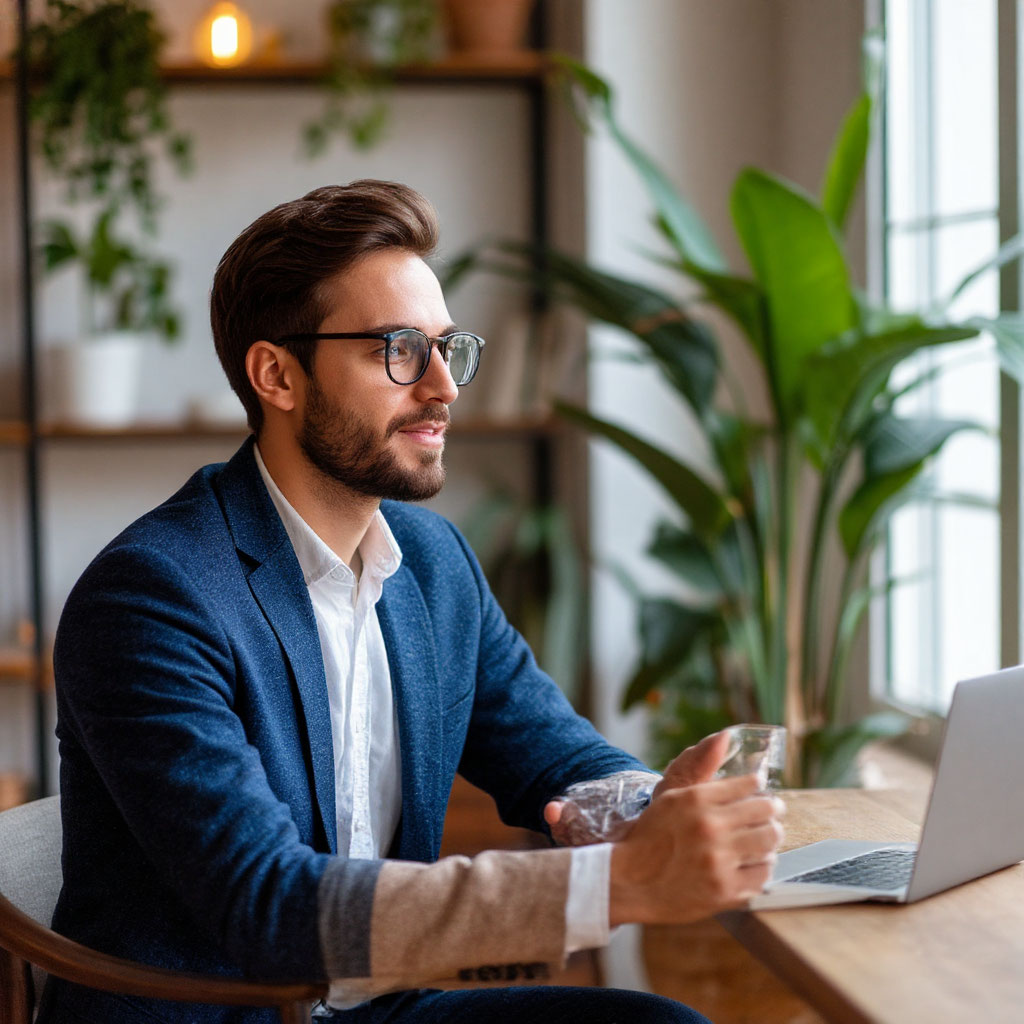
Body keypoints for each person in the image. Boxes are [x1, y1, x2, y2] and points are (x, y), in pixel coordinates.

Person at [39, 180, 784, 1024]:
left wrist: (657, 811)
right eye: (398, 349)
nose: (443, 388)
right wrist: (623, 879)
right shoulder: (152, 596)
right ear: (277, 375)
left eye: (447, 347)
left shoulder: (431, 564)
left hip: (373, 1007)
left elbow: (548, 757)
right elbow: (269, 905)